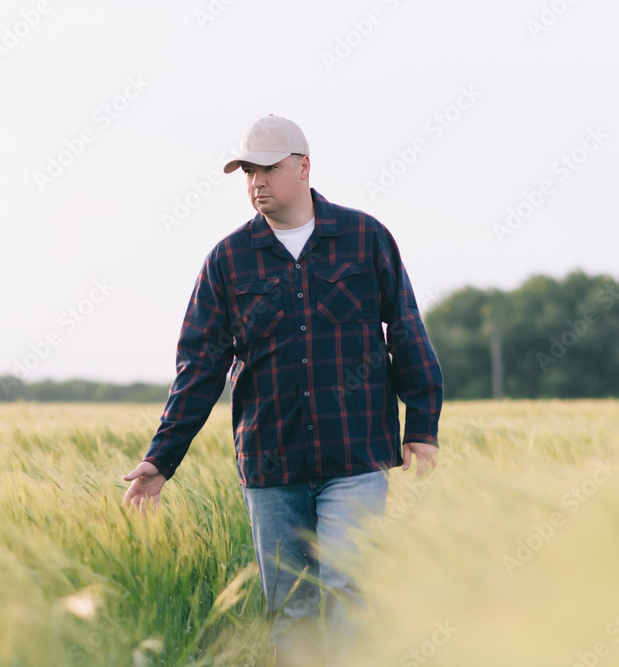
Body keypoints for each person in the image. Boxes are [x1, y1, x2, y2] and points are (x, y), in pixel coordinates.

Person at [121, 114, 443, 665]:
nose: (256, 182)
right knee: (291, 605)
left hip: (356, 455)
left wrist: (422, 424)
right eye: (248, 171)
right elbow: (199, 367)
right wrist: (161, 458)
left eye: (267, 168)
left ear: (304, 167)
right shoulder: (227, 260)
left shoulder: (365, 237)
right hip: (271, 464)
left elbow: (407, 328)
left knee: (346, 587)